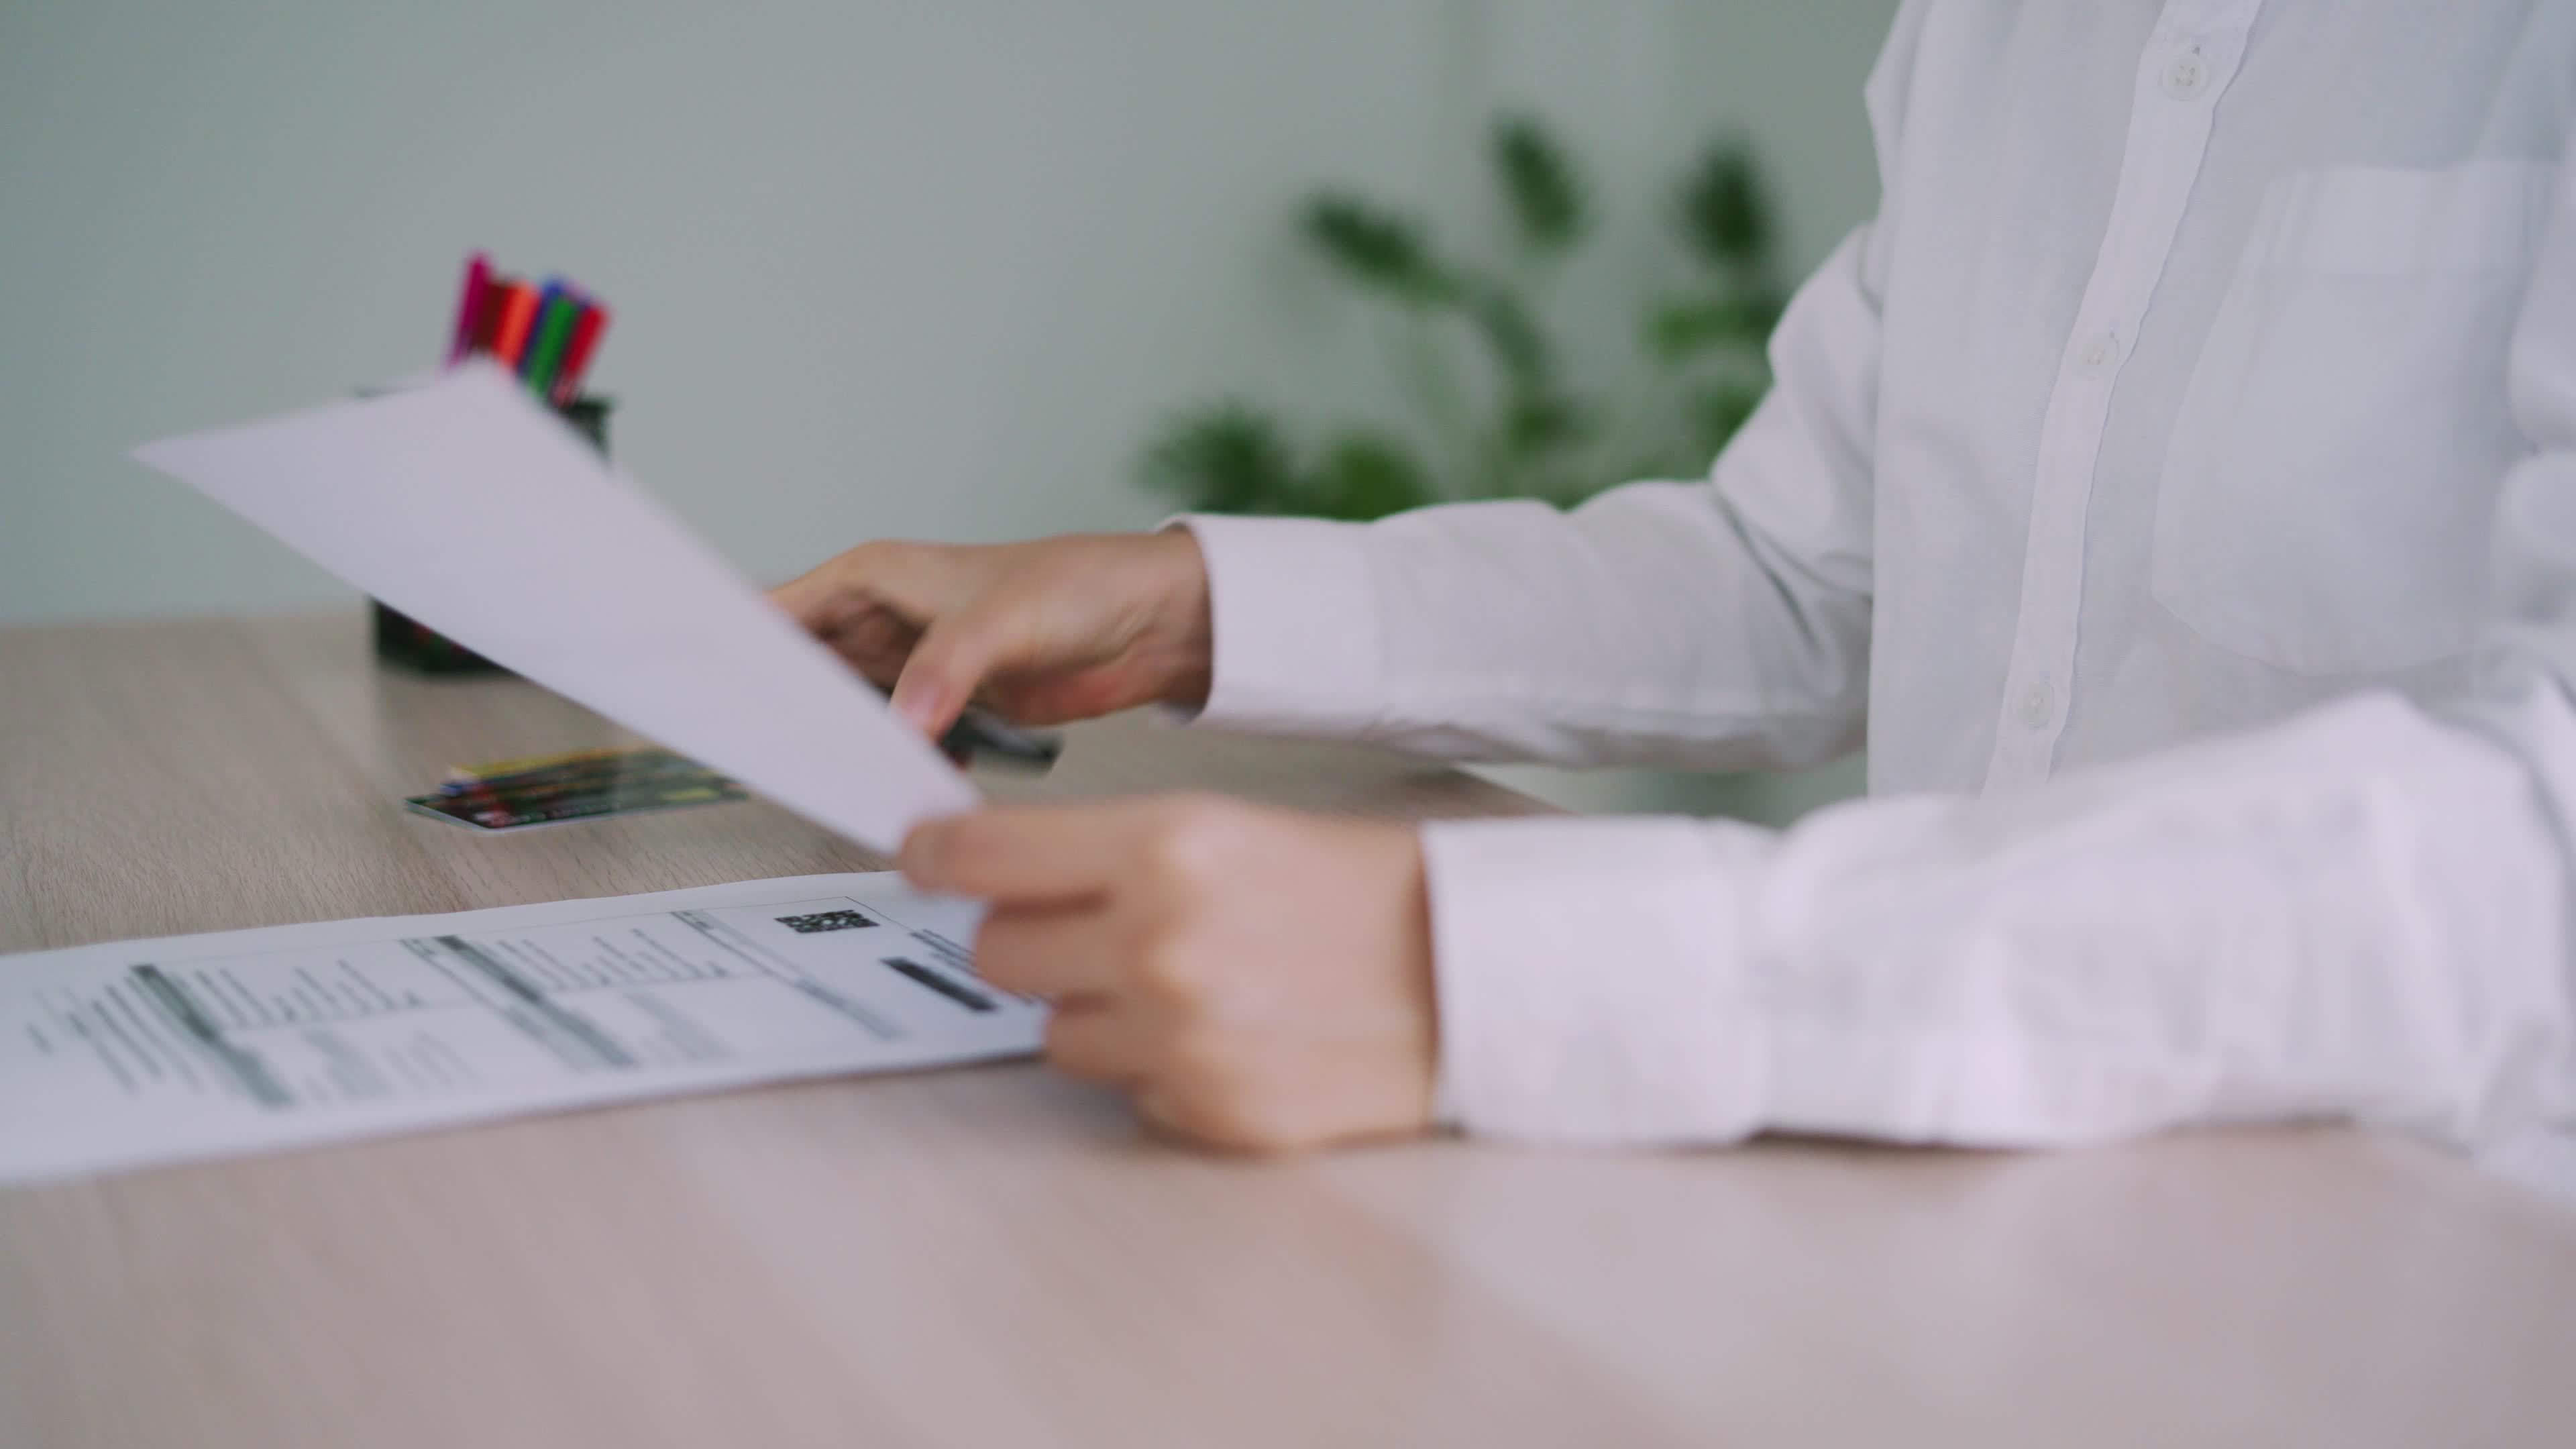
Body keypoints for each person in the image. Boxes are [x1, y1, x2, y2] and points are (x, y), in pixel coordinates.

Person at [774, 0, 2576, 1199]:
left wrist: (1491, 970)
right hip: (1946, 1213)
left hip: (2430, 1269)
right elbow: (1803, 573)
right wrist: (1198, 600)